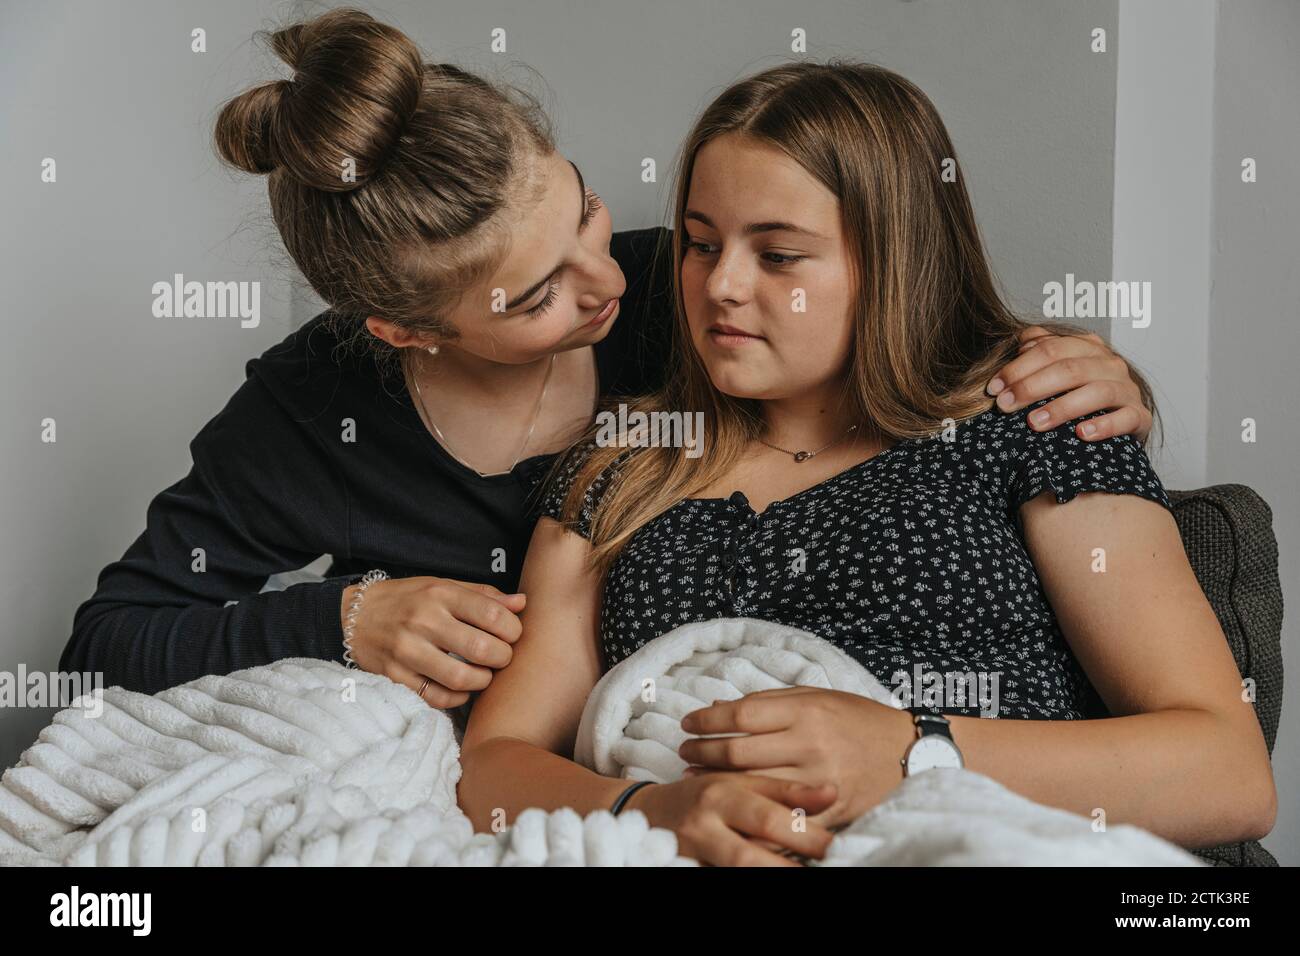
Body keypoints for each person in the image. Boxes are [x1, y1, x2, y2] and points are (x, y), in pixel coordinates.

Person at [62, 10, 1155, 705]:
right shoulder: (310, 414)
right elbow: (105, 643)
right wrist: (341, 620)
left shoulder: (691, 286)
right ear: (406, 331)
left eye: (583, 211)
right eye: (538, 295)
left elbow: (907, 337)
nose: (612, 280)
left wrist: (1089, 376)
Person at [456, 61, 1276, 866]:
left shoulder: (1039, 418)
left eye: (778, 256)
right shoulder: (627, 461)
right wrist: (650, 813)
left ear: (894, 260)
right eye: (701, 245)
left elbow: (1227, 772)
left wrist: (914, 752)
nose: (720, 286)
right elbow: (492, 766)